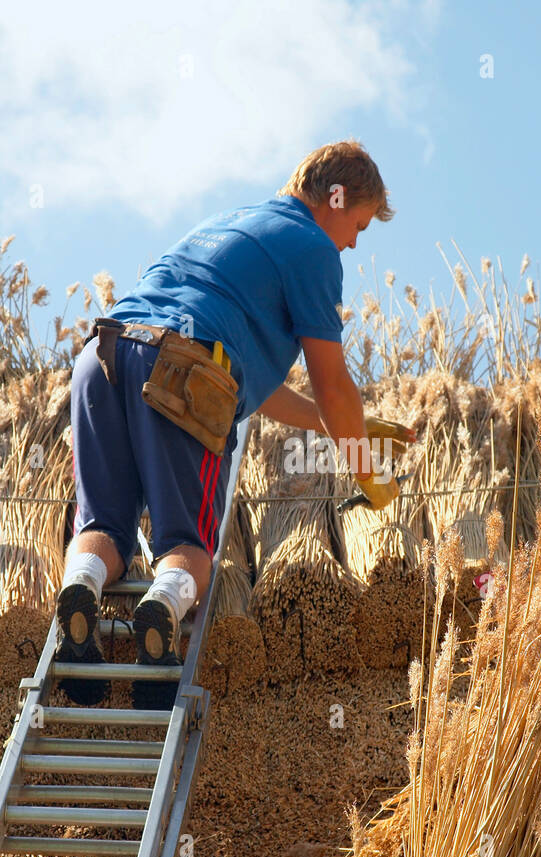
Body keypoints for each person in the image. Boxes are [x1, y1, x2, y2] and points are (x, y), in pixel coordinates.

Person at [56, 139, 414, 708]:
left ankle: (80, 587)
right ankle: (163, 610)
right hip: (182, 372)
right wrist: (369, 475)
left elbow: (265, 391)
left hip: (103, 356)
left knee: (105, 524)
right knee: (187, 543)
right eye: (358, 227)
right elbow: (332, 381)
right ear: (335, 198)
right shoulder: (312, 248)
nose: (350, 244)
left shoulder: (231, 225)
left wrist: (347, 428)